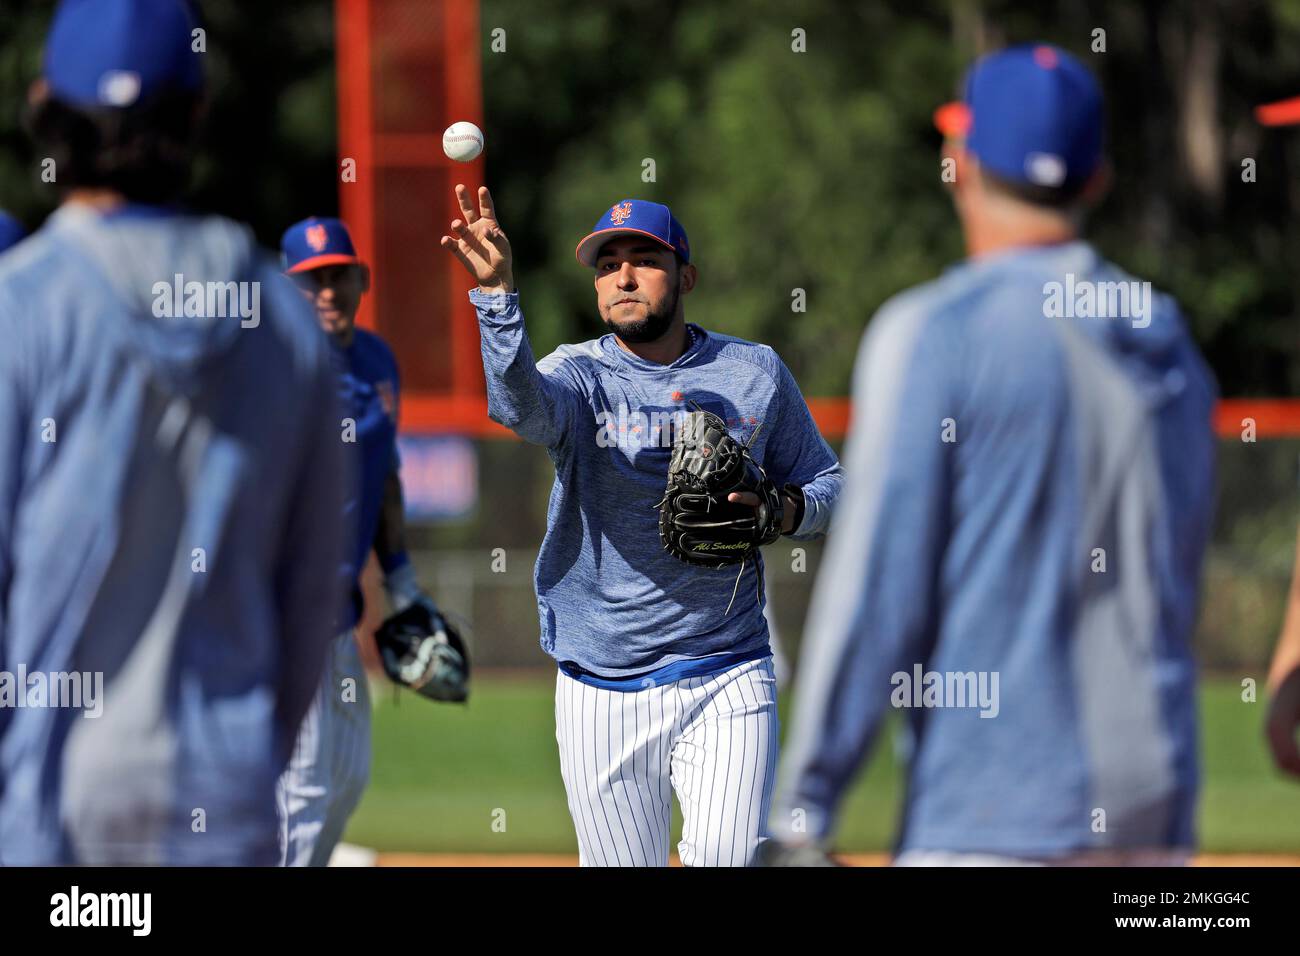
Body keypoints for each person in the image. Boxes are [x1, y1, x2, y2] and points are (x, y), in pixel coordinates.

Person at [764, 44, 1217, 866]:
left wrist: (803, 808)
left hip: (995, 811)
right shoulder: (1171, 340)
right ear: (1096, 180)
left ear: (959, 163)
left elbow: (875, 589)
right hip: (1154, 805)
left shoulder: (938, 333)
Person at [0, 0, 346, 864]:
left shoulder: (21, 307)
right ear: (195, 114)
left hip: (50, 805)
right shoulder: (285, 319)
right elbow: (310, 599)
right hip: (219, 800)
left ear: (42, 108)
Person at [440, 186, 842, 866]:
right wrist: (497, 299)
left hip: (726, 664)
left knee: (728, 855)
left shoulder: (753, 373)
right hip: (602, 679)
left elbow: (831, 485)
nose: (622, 275)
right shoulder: (581, 375)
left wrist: (783, 509)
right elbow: (519, 410)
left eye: (643, 259)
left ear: (685, 276)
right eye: (606, 264)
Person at [276, 216, 463, 866]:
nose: (327, 291)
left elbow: (383, 474)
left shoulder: (380, 360)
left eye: (337, 276)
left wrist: (401, 575)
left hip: (339, 615)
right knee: (302, 788)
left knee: (345, 779)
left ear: (362, 279)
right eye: (311, 281)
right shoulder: (275, 371)